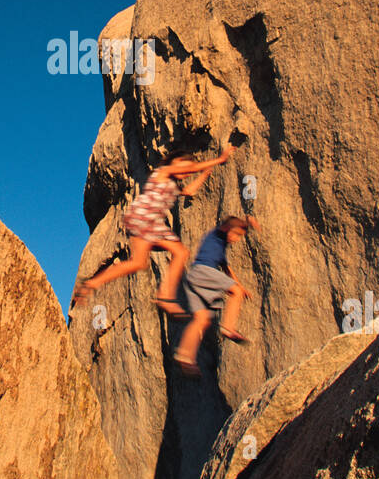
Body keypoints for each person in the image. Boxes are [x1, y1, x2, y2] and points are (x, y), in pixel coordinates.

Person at [72, 143, 235, 317]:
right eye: (185, 168)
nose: (187, 173)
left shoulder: (172, 184)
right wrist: (220, 159)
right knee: (180, 252)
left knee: (139, 263)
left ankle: (92, 284)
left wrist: (204, 175)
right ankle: (165, 296)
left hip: (143, 221)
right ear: (176, 162)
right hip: (145, 219)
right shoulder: (162, 172)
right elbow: (192, 167)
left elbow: (188, 191)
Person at [173, 215, 260, 378]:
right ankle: (228, 327)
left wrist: (239, 286)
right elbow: (230, 223)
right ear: (227, 229)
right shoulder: (217, 234)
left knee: (202, 319)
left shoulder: (220, 247)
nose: (236, 239)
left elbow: (226, 268)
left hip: (193, 278)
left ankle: (185, 356)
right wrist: (248, 222)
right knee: (236, 293)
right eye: (235, 234)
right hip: (203, 272)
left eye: (239, 237)